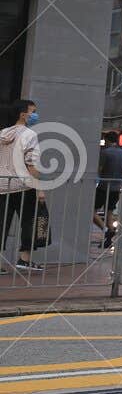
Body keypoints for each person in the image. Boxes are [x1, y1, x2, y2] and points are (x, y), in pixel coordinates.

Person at [0, 99, 45, 274]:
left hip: (3, 185)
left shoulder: (3, 133)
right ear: (23, 114)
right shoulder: (29, 134)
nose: (35, 115)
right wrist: (40, 188)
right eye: (32, 111)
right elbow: (32, 165)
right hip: (22, 186)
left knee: (1, 224)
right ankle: (24, 259)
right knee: (30, 221)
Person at [93, 137, 122, 242]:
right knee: (109, 212)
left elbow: (99, 169)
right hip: (117, 187)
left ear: (108, 141)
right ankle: (110, 235)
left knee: (92, 211)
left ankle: (105, 230)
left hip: (104, 186)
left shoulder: (105, 153)